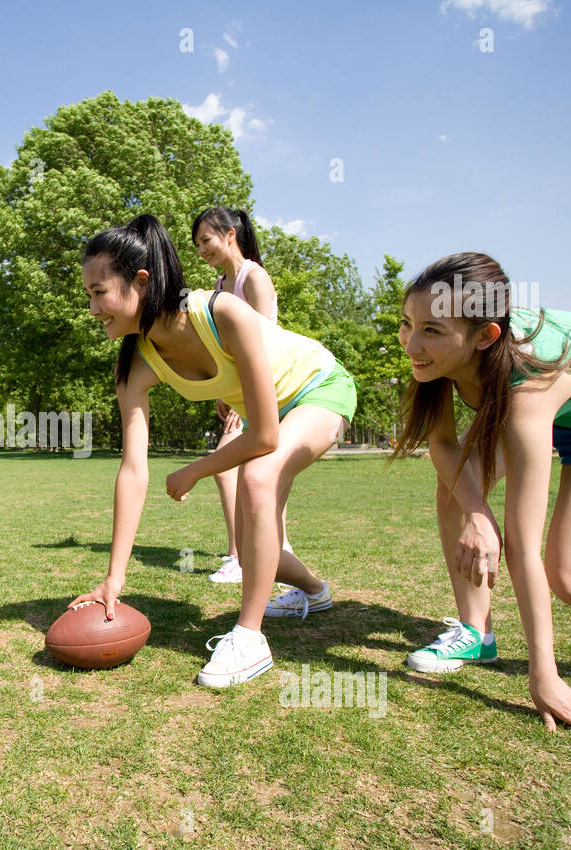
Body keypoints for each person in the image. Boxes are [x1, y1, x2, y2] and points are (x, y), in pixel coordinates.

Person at [393, 252, 571, 743]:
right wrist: (474, 511)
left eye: (430, 330)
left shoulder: (529, 384)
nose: (411, 344)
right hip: (541, 402)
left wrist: (543, 674)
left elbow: (523, 545)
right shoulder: (437, 356)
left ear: (486, 335)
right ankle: (475, 636)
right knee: (456, 491)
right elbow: (442, 445)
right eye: (406, 324)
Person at [71, 215, 357, 687]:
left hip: (320, 388)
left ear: (141, 282)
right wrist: (113, 579)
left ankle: (249, 638)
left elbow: (264, 436)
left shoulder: (223, 313)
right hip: (273, 416)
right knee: (248, 548)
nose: (92, 307)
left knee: (257, 478)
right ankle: (315, 590)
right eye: (88, 295)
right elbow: (133, 470)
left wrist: (194, 471)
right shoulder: (137, 365)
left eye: (98, 292)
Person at [191, 207, 301, 606]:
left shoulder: (254, 276)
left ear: (230, 234)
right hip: (246, 389)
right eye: (197, 243)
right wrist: (225, 390)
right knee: (264, 482)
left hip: (274, 387)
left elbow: (266, 340)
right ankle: (266, 561)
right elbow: (228, 347)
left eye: (206, 239)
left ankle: (244, 558)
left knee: (242, 474)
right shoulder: (222, 283)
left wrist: (247, 396)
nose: (201, 248)